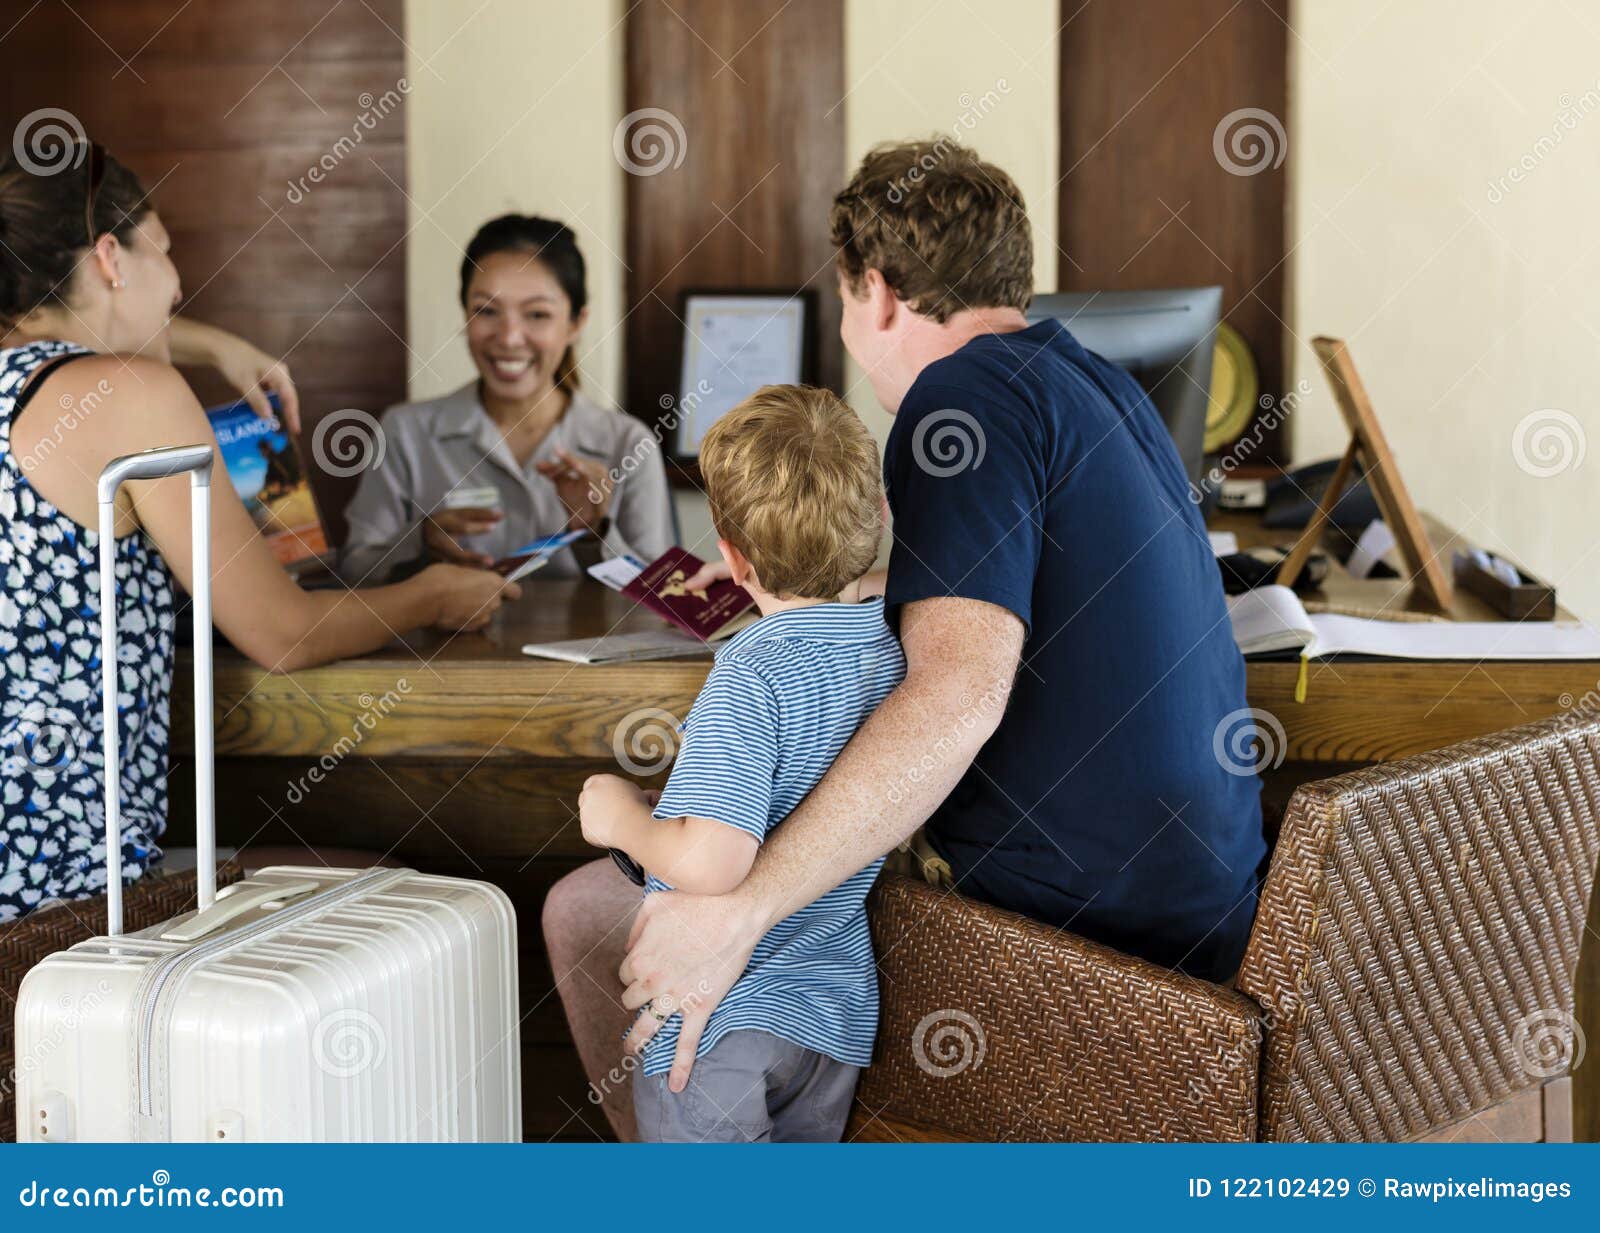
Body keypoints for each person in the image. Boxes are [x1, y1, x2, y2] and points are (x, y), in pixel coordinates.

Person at [544, 140, 1268, 1136]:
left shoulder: (956, 399)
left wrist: (738, 914)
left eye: (845, 305)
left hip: (1073, 923)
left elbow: (956, 695)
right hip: (1198, 899)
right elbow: (1033, 585)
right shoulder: (1094, 386)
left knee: (590, 908)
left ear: (877, 293)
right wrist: (838, 583)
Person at [0, 143, 518, 922]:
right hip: (70, 897)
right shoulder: (134, 397)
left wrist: (208, 343)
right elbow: (284, 632)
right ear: (111, 256)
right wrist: (434, 596)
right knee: (420, 900)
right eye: (166, 255)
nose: (177, 286)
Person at [576, 385, 902, 1142]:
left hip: (719, 1021)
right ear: (880, 518)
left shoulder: (751, 672)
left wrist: (620, 816)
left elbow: (715, 861)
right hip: (830, 1021)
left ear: (729, 553)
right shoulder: (887, 649)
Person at [337, 215, 675, 584]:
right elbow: (355, 571)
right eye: (486, 311)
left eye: (537, 314)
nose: (510, 337)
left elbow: (664, 596)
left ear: (576, 323)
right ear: (465, 314)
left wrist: (596, 533)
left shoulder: (627, 443)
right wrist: (421, 543)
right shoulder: (405, 432)